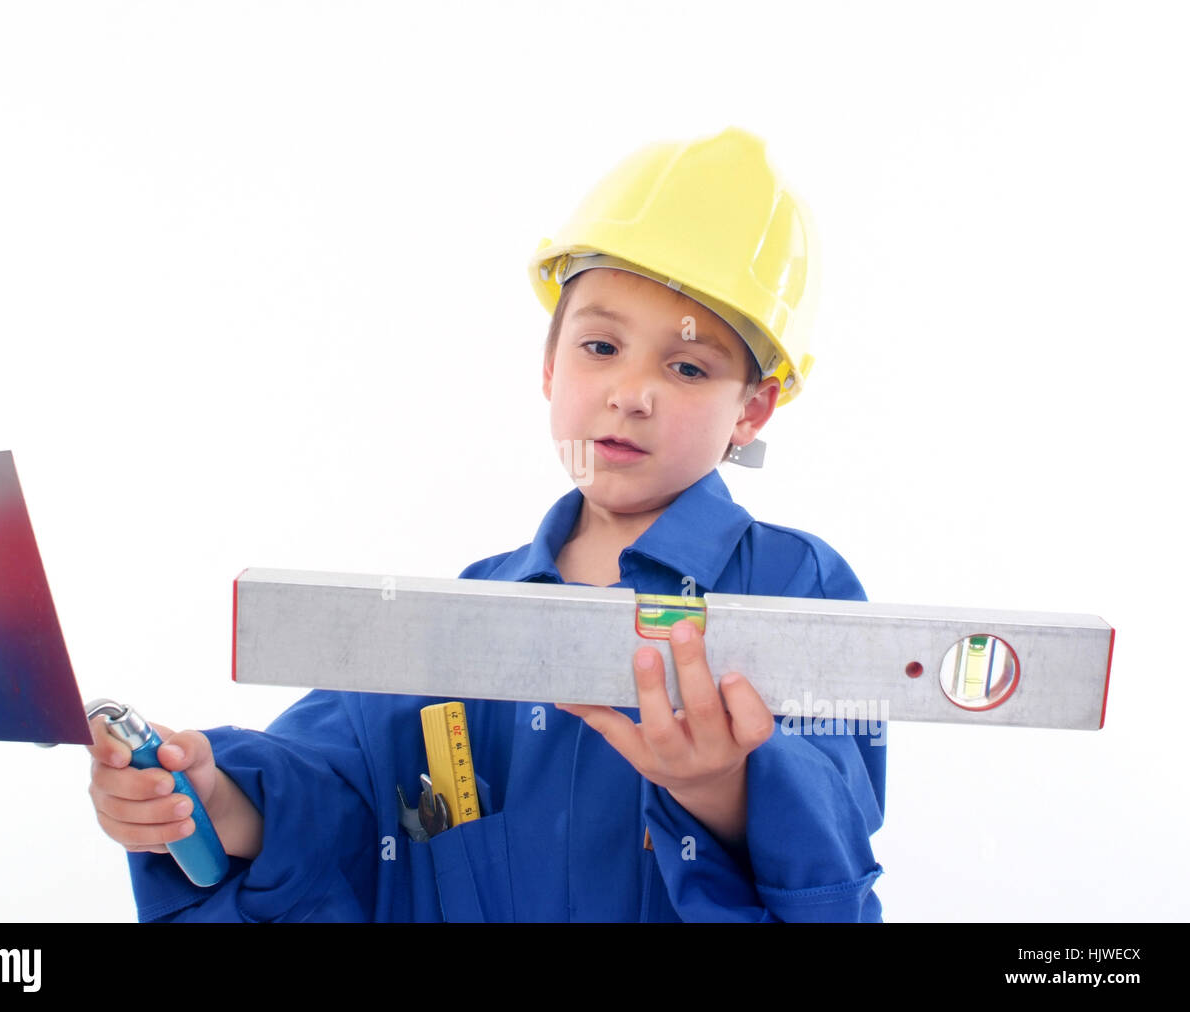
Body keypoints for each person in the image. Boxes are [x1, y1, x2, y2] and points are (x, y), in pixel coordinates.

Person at [88, 126, 886, 921]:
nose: (631, 392)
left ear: (750, 410)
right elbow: (343, 793)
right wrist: (217, 802)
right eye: (601, 346)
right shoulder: (461, 619)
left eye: (686, 366)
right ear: (549, 366)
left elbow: (837, 859)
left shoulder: (798, 590)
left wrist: (720, 786)